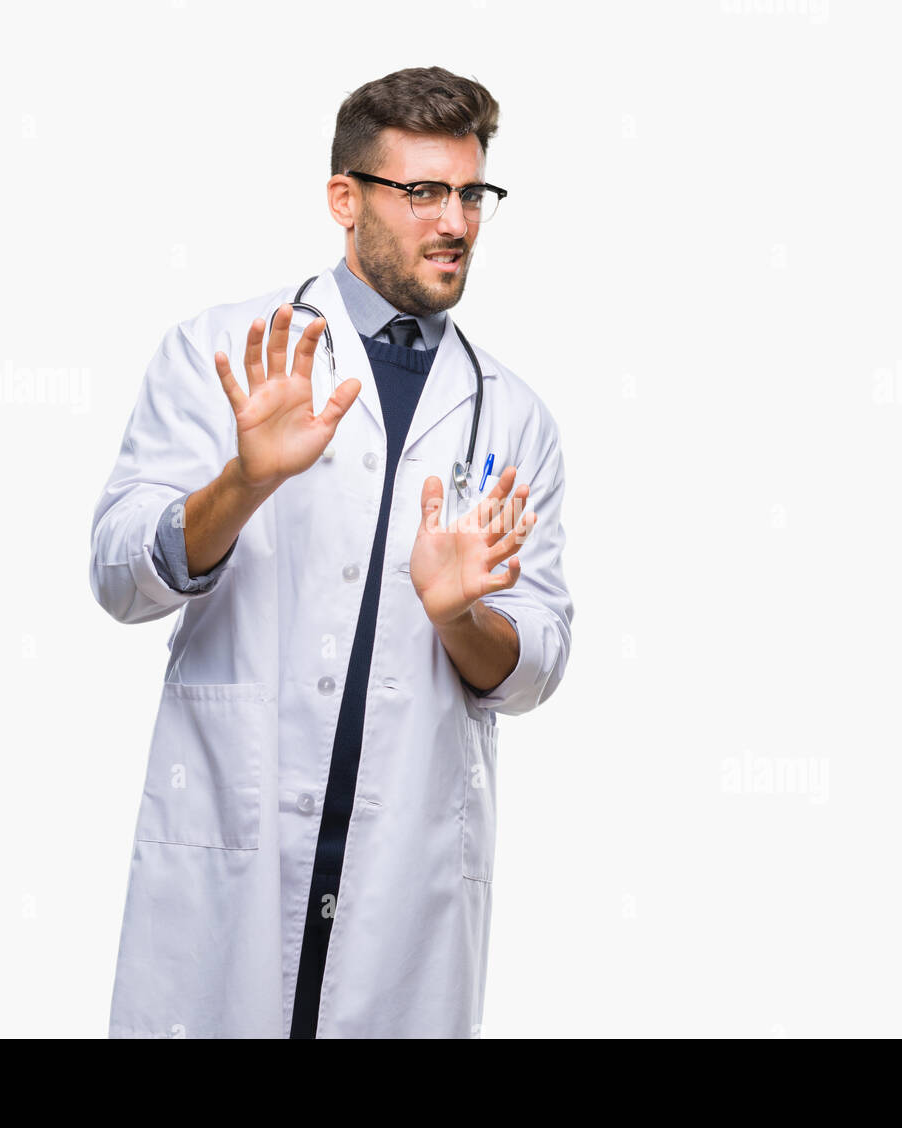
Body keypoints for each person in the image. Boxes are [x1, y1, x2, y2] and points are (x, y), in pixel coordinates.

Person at [89, 66, 573, 1038]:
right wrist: (245, 481)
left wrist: (458, 617)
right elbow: (116, 573)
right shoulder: (222, 351)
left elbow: (535, 661)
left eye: (472, 193)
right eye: (423, 192)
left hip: (405, 874)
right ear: (344, 200)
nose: (458, 222)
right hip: (237, 842)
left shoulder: (513, 417)